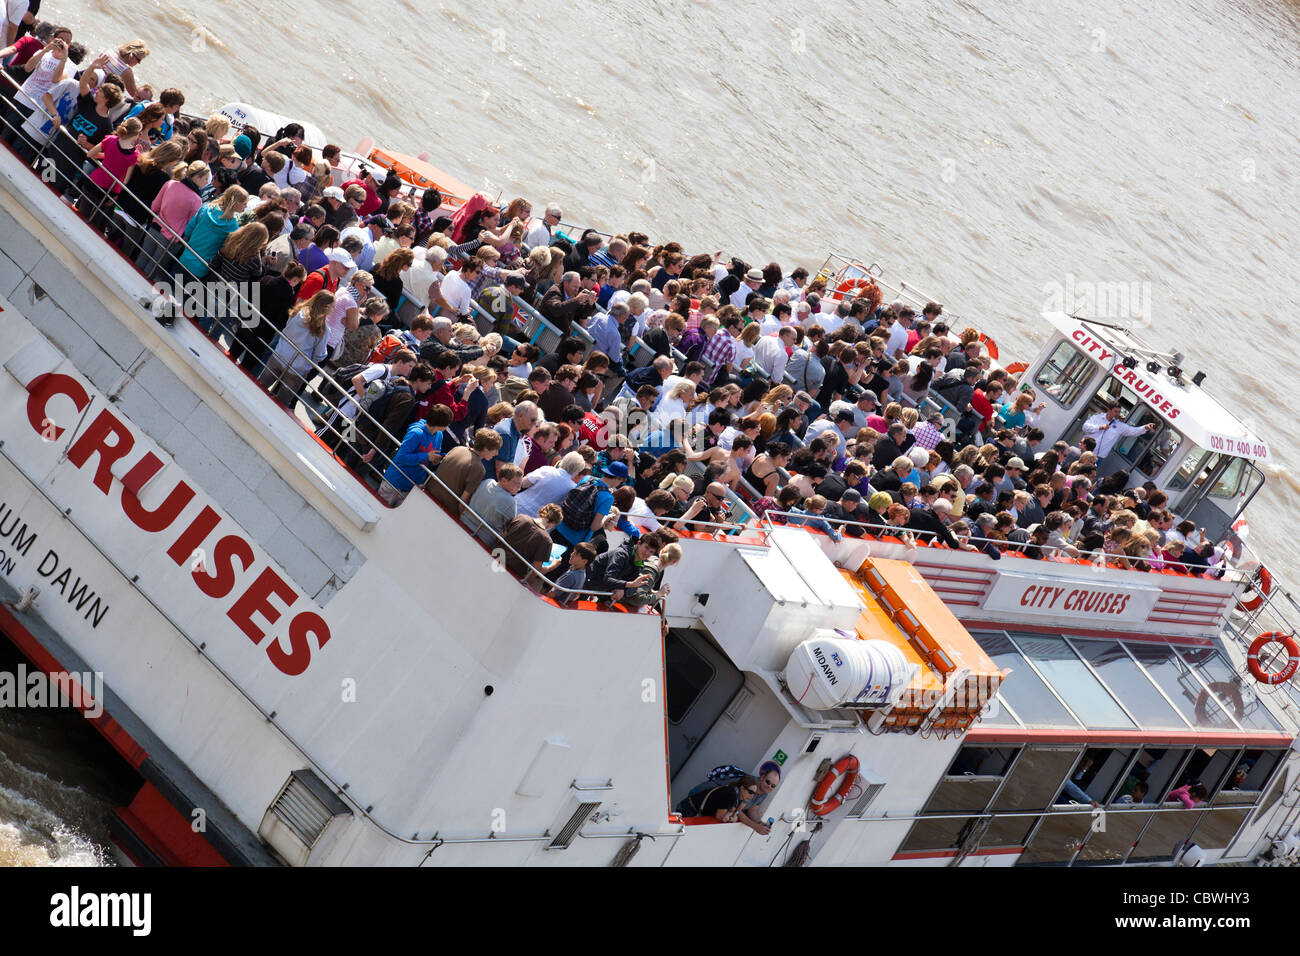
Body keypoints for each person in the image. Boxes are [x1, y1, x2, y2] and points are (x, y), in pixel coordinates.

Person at [378, 404, 453, 506]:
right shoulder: (416, 433)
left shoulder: (439, 435)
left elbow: (433, 455)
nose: (448, 426)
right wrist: (427, 456)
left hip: (411, 488)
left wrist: (435, 460)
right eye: (448, 424)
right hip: (394, 484)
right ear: (441, 424)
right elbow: (401, 457)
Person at [1082, 401, 1157, 459]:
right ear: (1109, 410)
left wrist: (1145, 427)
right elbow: (1085, 427)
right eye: (1115, 411)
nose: (1118, 414)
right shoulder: (1097, 417)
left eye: (1119, 412)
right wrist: (1099, 427)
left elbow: (1133, 431)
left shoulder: (1119, 425)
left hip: (1097, 457)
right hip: (1084, 451)